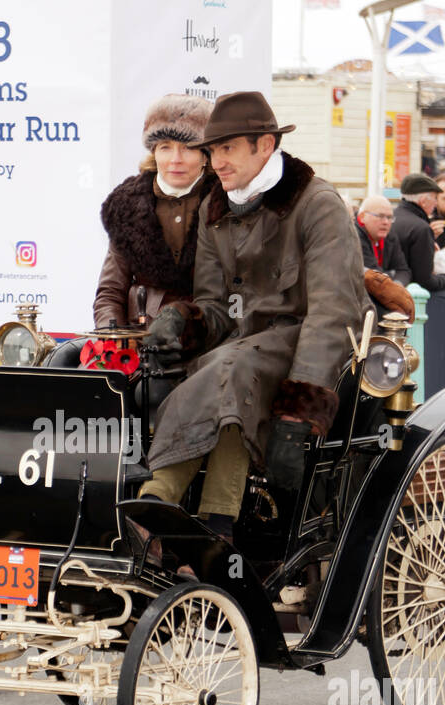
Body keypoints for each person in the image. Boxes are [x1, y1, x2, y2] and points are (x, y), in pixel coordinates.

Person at [136, 91, 367, 541]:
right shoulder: (213, 208)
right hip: (243, 351)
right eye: (213, 150)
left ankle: (183, 507)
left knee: (232, 366)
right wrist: (186, 322)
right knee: (221, 366)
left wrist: (301, 413)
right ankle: (179, 509)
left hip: (310, 349)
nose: (216, 161)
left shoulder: (317, 204)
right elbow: (216, 308)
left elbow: (332, 313)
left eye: (227, 148)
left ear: (265, 145)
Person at [94, 94, 215, 328]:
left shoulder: (224, 203)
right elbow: (110, 292)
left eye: (188, 148)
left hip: (204, 337)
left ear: (205, 156)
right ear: (154, 153)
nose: (175, 160)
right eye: (165, 148)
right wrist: (113, 339)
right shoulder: (127, 205)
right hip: (138, 338)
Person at [391, 172, 445, 291]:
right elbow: (424, 281)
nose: (436, 203)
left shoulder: (390, 218)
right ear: (423, 201)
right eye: (435, 198)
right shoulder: (421, 228)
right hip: (408, 298)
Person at [355, 195, 410, 283]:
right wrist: (392, 274)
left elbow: (403, 271)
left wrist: (397, 285)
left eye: (389, 217)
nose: (386, 222)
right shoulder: (354, 237)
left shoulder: (389, 235)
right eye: (380, 216)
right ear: (362, 217)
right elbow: (374, 276)